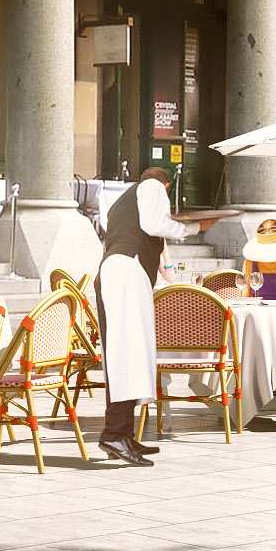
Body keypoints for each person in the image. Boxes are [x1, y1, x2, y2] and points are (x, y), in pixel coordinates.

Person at [95, 166, 190, 464]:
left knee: (130, 356)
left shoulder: (123, 203)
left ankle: (123, 434)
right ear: (165, 184)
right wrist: (191, 228)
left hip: (122, 273)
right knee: (126, 357)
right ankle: (113, 435)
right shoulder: (150, 188)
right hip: (125, 273)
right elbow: (153, 224)